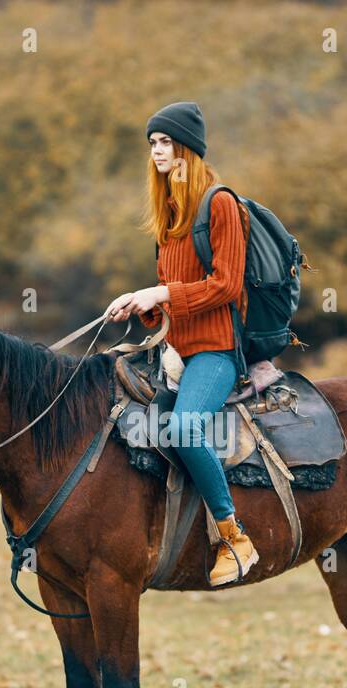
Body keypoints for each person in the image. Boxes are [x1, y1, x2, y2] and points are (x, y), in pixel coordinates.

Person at [104, 100, 258, 586]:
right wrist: (141, 303)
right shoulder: (170, 215)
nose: (156, 151)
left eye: (165, 142)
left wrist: (161, 292)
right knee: (134, 430)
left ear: (187, 147)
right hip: (176, 352)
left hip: (215, 353)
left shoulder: (220, 204)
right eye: (152, 143)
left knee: (187, 427)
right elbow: (173, 294)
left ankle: (235, 537)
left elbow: (226, 285)